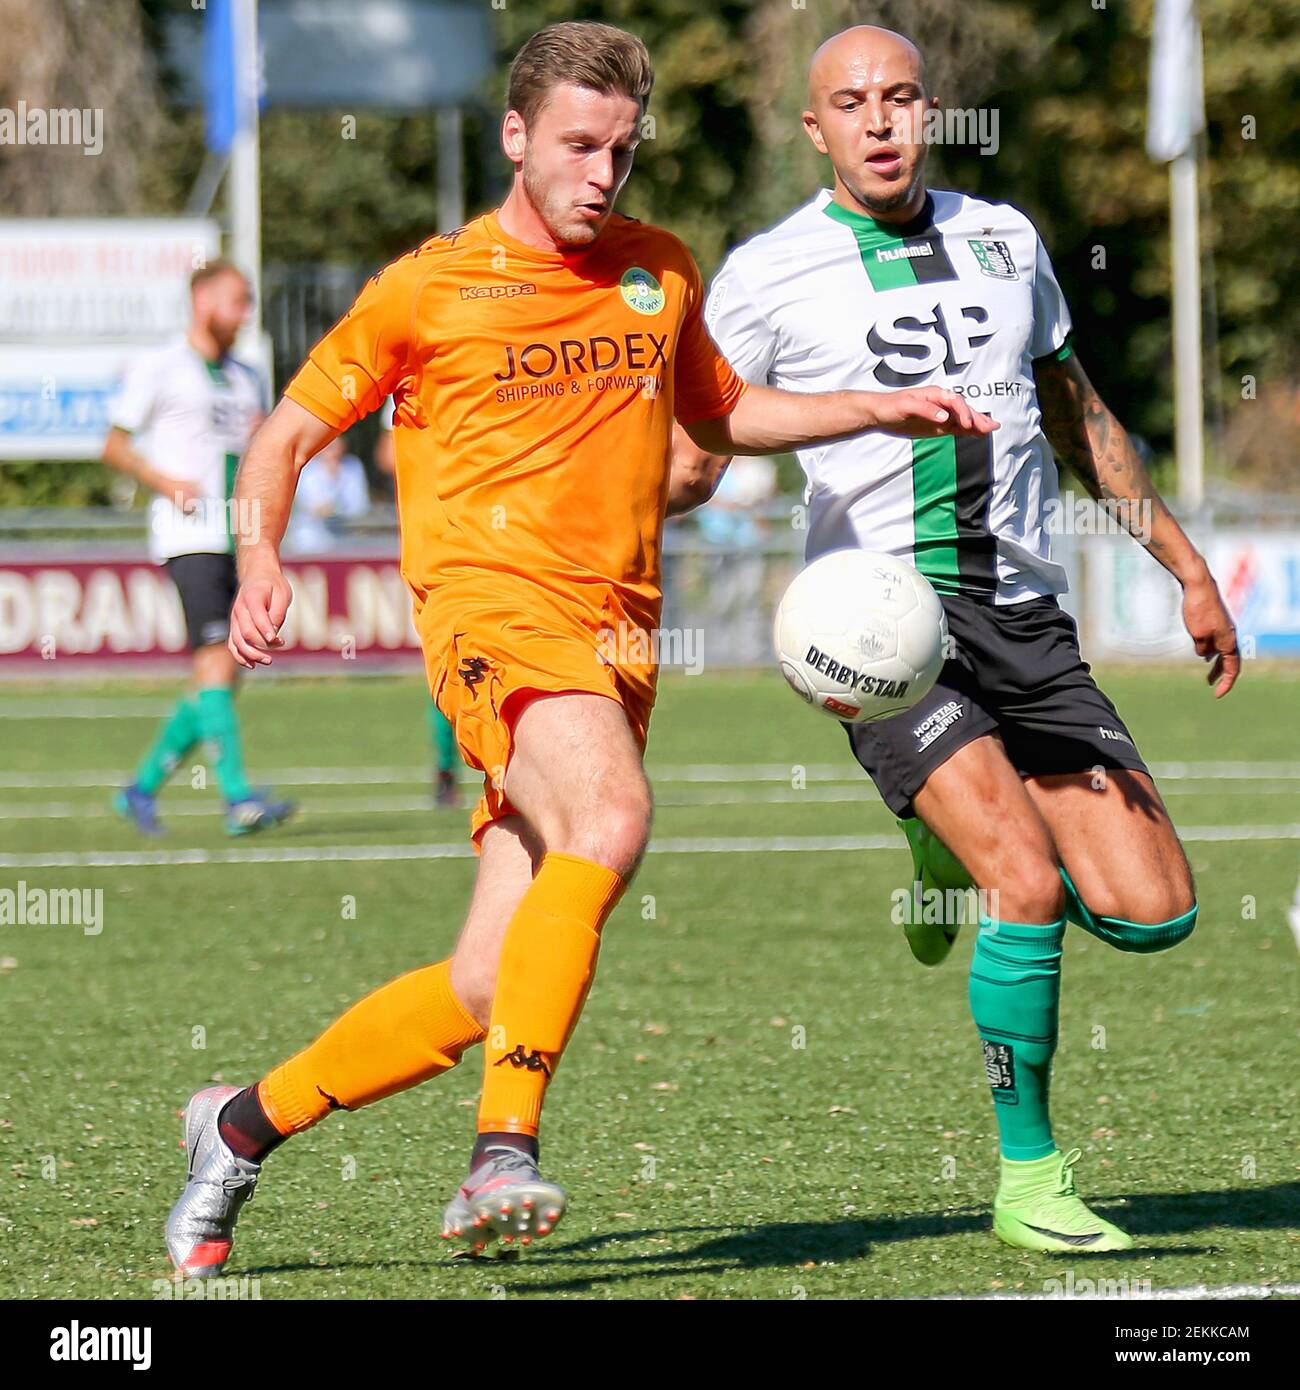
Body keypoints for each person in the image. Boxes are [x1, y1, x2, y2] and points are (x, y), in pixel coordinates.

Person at [163, 19, 994, 1276]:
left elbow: (722, 415)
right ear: (516, 137)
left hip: (617, 640)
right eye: (576, 146)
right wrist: (264, 558)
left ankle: (236, 1127)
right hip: (488, 617)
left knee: (489, 985)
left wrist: (871, 404)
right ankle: (502, 1149)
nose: (601, 172)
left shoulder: (660, 270)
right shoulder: (427, 286)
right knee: (608, 816)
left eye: (620, 147)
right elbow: (282, 438)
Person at [683, 25, 1240, 1253]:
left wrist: (1186, 565)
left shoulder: (1005, 238)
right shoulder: (765, 274)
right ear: (812, 129)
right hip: (881, 629)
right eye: (849, 102)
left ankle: (936, 852)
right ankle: (1030, 1175)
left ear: (928, 110)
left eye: (897, 97)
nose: (877, 121)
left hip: (1028, 616)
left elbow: (1075, 409)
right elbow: (690, 452)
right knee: (1026, 886)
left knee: (1153, 913)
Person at [102, 261, 294, 837]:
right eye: (237, 302)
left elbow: (259, 447)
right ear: (202, 300)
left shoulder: (244, 375)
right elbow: (113, 445)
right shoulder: (161, 366)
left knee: (222, 676)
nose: (245, 315)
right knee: (214, 662)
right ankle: (237, 800)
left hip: (238, 535)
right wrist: (166, 483)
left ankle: (138, 789)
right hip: (190, 537)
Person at [376, 400, 463, 807]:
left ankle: (508, 765)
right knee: (447, 658)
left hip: (491, 533)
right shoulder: (410, 379)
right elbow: (384, 452)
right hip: (437, 542)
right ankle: (448, 766)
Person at [284, 433, 371, 555]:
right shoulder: (305, 469)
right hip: (307, 540)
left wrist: (334, 508)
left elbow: (360, 505)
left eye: (336, 443)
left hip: (345, 538)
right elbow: (302, 504)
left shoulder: (353, 466)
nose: (332, 447)